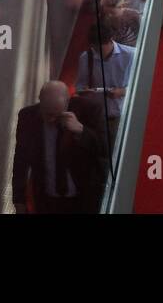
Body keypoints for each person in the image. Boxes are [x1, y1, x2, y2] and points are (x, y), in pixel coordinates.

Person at [12, 80, 107, 214]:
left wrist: (81, 131)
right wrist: (19, 200)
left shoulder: (90, 110)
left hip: (82, 199)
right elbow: (20, 160)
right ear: (40, 101)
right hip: (47, 200)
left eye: (55, 115)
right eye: (47, 114)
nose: (51, 119)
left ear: (68, 102)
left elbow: (104, 149)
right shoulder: (28, 117)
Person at [76, 20, 135, 145]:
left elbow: (142, 87)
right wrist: (83, 90)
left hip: (121, 117)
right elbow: (80, 86)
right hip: (96, 118)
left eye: (101, 48)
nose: (98, 52)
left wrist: (123, 91)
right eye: (95, 48)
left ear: (111, 40)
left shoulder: (131, 55)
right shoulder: (86, 58)